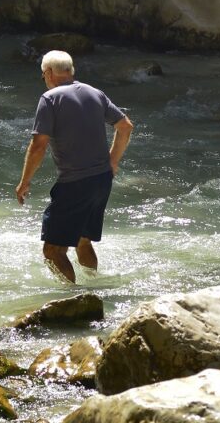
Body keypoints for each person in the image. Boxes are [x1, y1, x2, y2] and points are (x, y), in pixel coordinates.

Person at [15, 49, 133, 282]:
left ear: (48, 73)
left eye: (42, 75)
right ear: (70, 71)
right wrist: (112, 161)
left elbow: (38, 145)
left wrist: (24, 181)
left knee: (52, 250)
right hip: (101, 179)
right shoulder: (94, 92)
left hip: (75, 183)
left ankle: (73, 300)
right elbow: (125, 126)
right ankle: (93, 285)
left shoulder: (50, 99)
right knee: (82, 239)